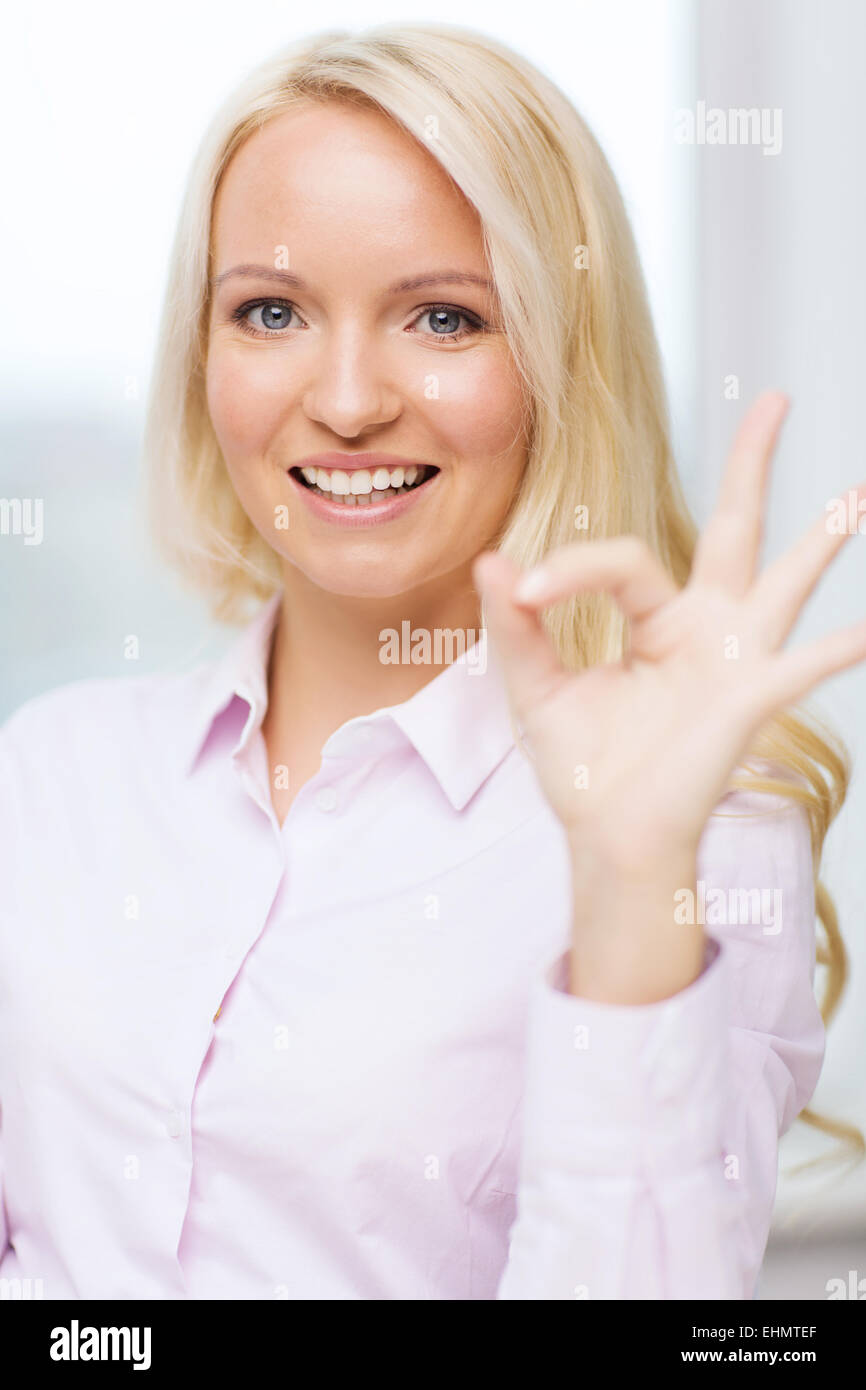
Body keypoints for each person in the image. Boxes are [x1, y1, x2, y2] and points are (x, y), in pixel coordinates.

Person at [1, 22, 863, 1301]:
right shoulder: (51, 774)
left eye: (444, 316)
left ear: (558, 361)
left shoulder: (696, 837)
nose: (346, 400)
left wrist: (629, 891)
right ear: (203, 352)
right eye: (272, 310)